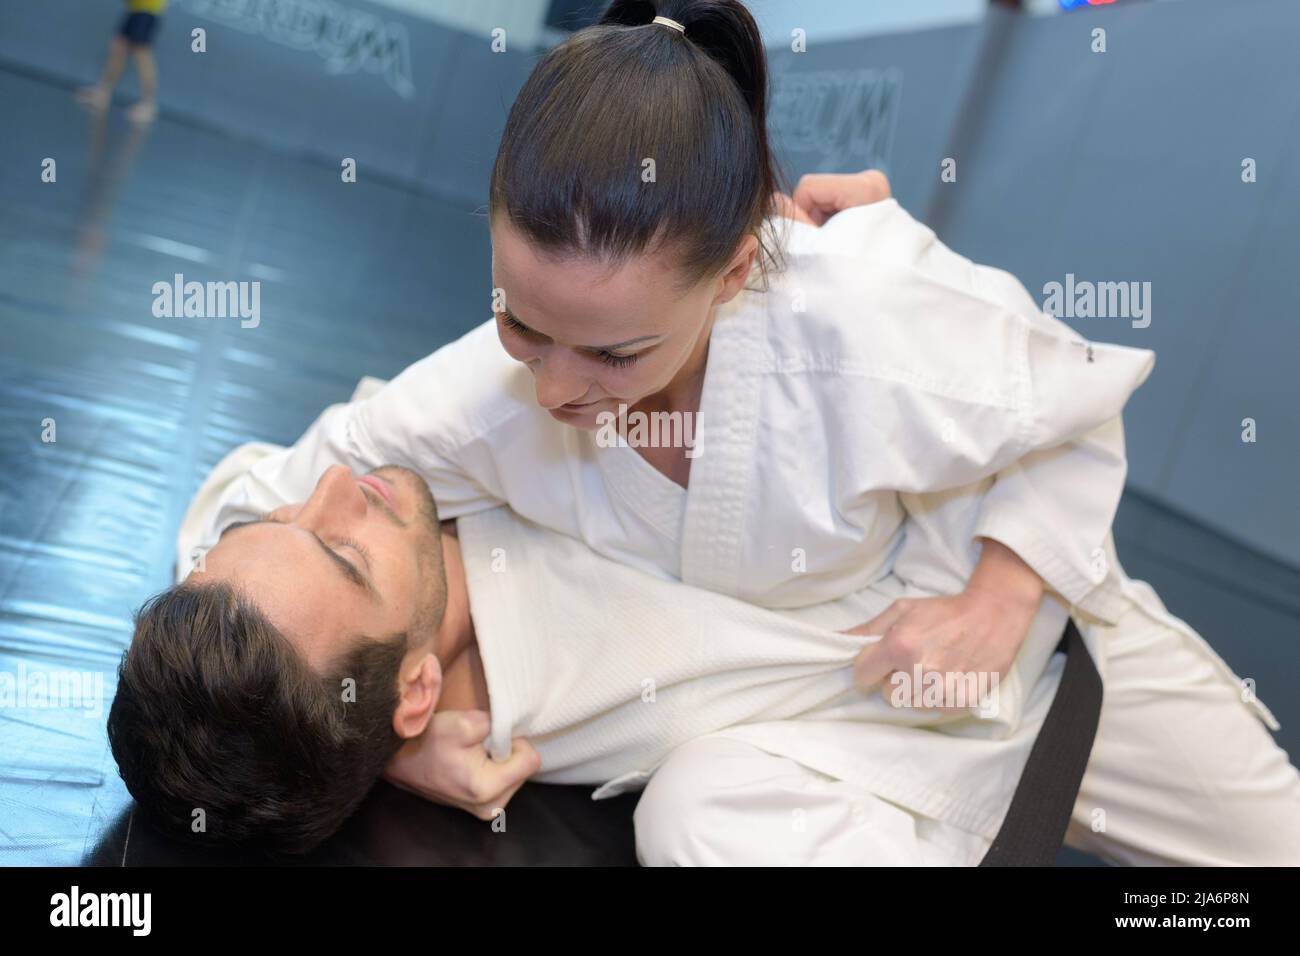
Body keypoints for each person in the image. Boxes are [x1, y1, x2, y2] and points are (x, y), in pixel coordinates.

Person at [174, 0, 1300, 864]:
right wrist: (379, 733)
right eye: (522, 320)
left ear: (733, 272)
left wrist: (998, 598)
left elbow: (1074, 410)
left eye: (614, 352)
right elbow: (239, 530)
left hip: (1053, 664)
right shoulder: (483, 398)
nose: (560, 387)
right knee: (697, 818)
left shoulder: (854, 315)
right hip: (832, 727)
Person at [76, 0, 168, 124]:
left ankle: (149, 105)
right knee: (118, 48)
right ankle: (103, 93)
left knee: (141, 54)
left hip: (148, 9)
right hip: (136, 8)